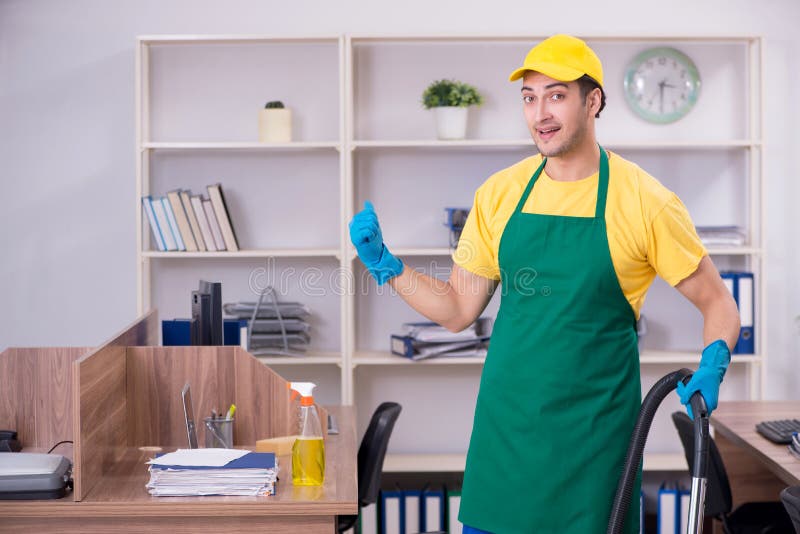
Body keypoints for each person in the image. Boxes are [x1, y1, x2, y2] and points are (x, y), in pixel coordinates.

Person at [348, 34, 740, 533]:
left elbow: (718, 303)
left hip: (596, 444)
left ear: (593, 101)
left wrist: (714, 364)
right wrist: (385, 264)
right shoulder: (499, 193)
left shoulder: (646, 201)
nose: (540, 114)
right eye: (529, 98)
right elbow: (456, 310)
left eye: (556, 96)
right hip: (506, 438)